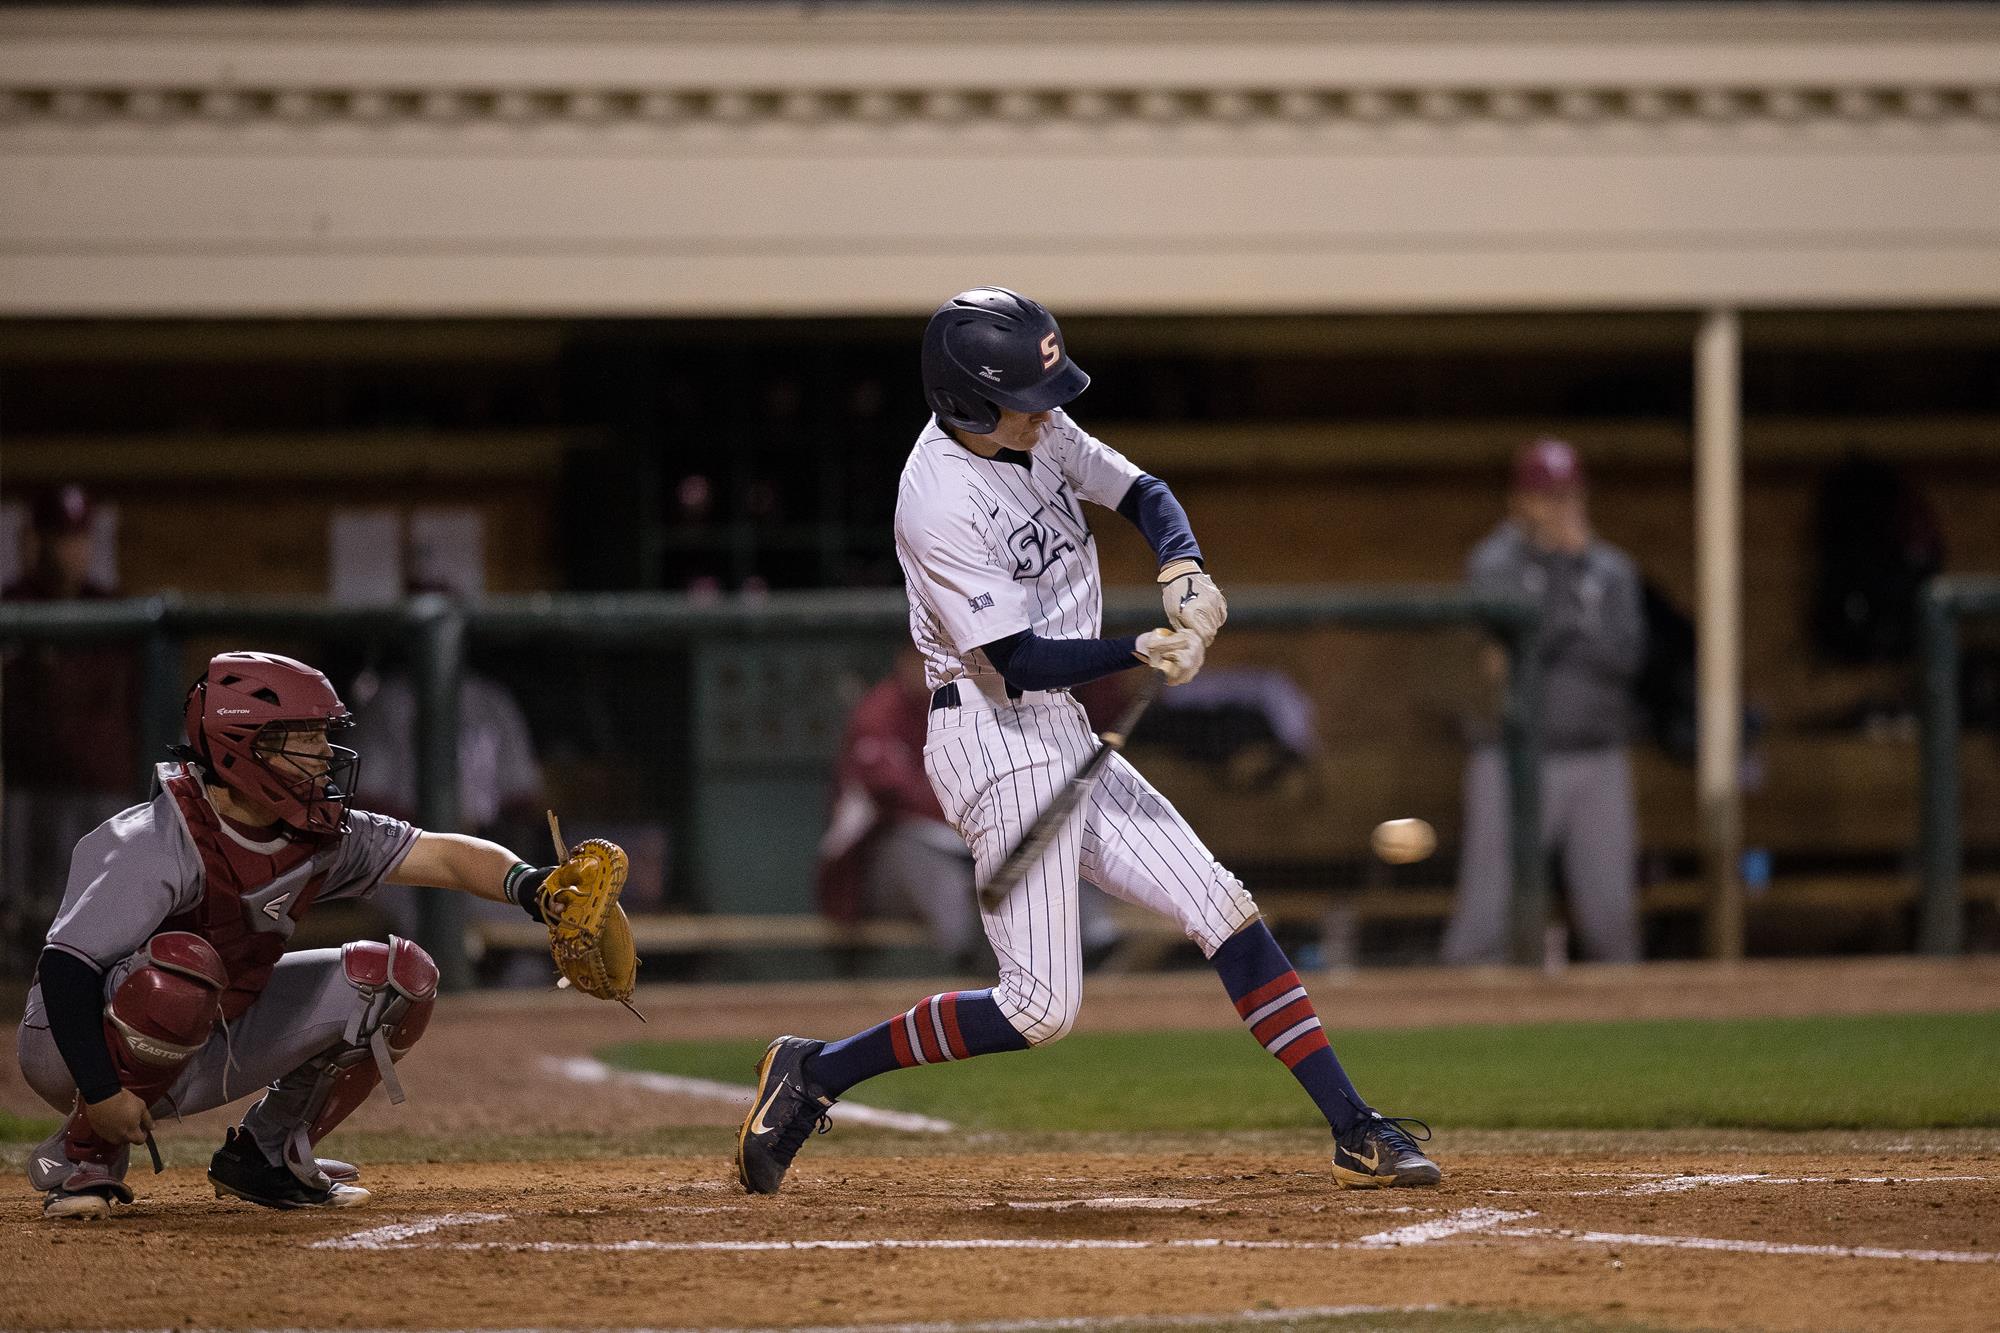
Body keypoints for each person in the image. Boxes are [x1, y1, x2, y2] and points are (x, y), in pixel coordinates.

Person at [735, 286, 1439, 1194]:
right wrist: (1141, 647)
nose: (1049, 413)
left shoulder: (1036, 427)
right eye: (1027, 401)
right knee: (1039, 1008)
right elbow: (1018, 657)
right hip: (991, 733)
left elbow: (1143, 491)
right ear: (968, 403)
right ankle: (817, 1069)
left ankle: (1355, 1126)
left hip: (1060, 723)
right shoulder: (937, 500)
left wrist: (1183, 565)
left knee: (1222, 906)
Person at [14, 651, 619, 1220]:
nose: (326, 752)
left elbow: (444, 856)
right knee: (182, 966)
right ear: (243, 747)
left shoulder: (317, 828)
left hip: (210, 1027)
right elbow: (67, 969)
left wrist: (535, 888)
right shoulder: (153, 839)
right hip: (75, 1048)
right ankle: (83, 1155)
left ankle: (268, 1154)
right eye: (305, 737)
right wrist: (100, 1091)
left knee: (399, 978)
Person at [1443, 438, 1647, 965]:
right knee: (1484, 921)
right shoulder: (1493, 561)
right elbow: (1521, 643)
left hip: (1597, 758)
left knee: (1611, 920)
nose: (1563, 508)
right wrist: (1566, 583)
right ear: (1520, 501)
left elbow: (1627, 656)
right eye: (1548, 497)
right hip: (1510, 760)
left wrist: (1563, 614)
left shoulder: (1613, 569)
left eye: (1570, 495)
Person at [816, 643, 1120, 972]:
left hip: (971, 854)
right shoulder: (880, 713)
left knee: (1048, 831)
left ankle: (1091, 932)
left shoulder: (972, 706)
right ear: (906, 660)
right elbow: (895, 794)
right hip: (875, 869)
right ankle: (969, 950)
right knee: (917, 851)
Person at [1, 487, 141, 970]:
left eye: (77, 538)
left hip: (102, 791)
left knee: (102, 928)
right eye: (57, 537)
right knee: (29, 933)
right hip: (29, 791)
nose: (68, 550)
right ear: (33, 540)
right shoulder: (14, 604)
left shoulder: (113, 608)